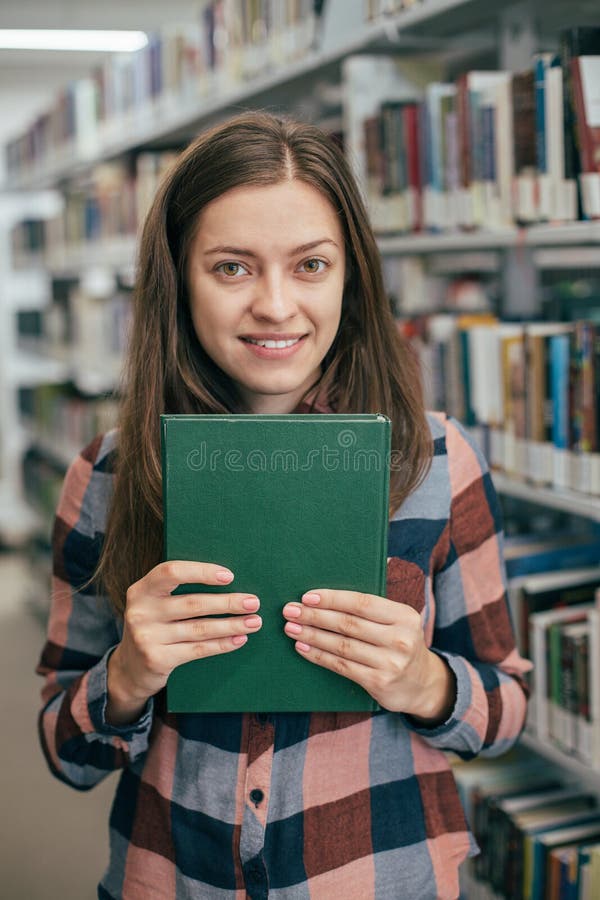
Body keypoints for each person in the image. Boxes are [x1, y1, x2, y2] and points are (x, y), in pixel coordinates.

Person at [37, 111, 531, 900]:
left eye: (310, 265)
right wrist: (126, 675)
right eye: (232, 267)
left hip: (381, 876)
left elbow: (506, 712)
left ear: (350, 277)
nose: (275, 305)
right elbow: (64, 753)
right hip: (171, 878)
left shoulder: (436, 459)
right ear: (179, 278)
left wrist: (424, 682)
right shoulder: (108, 473)